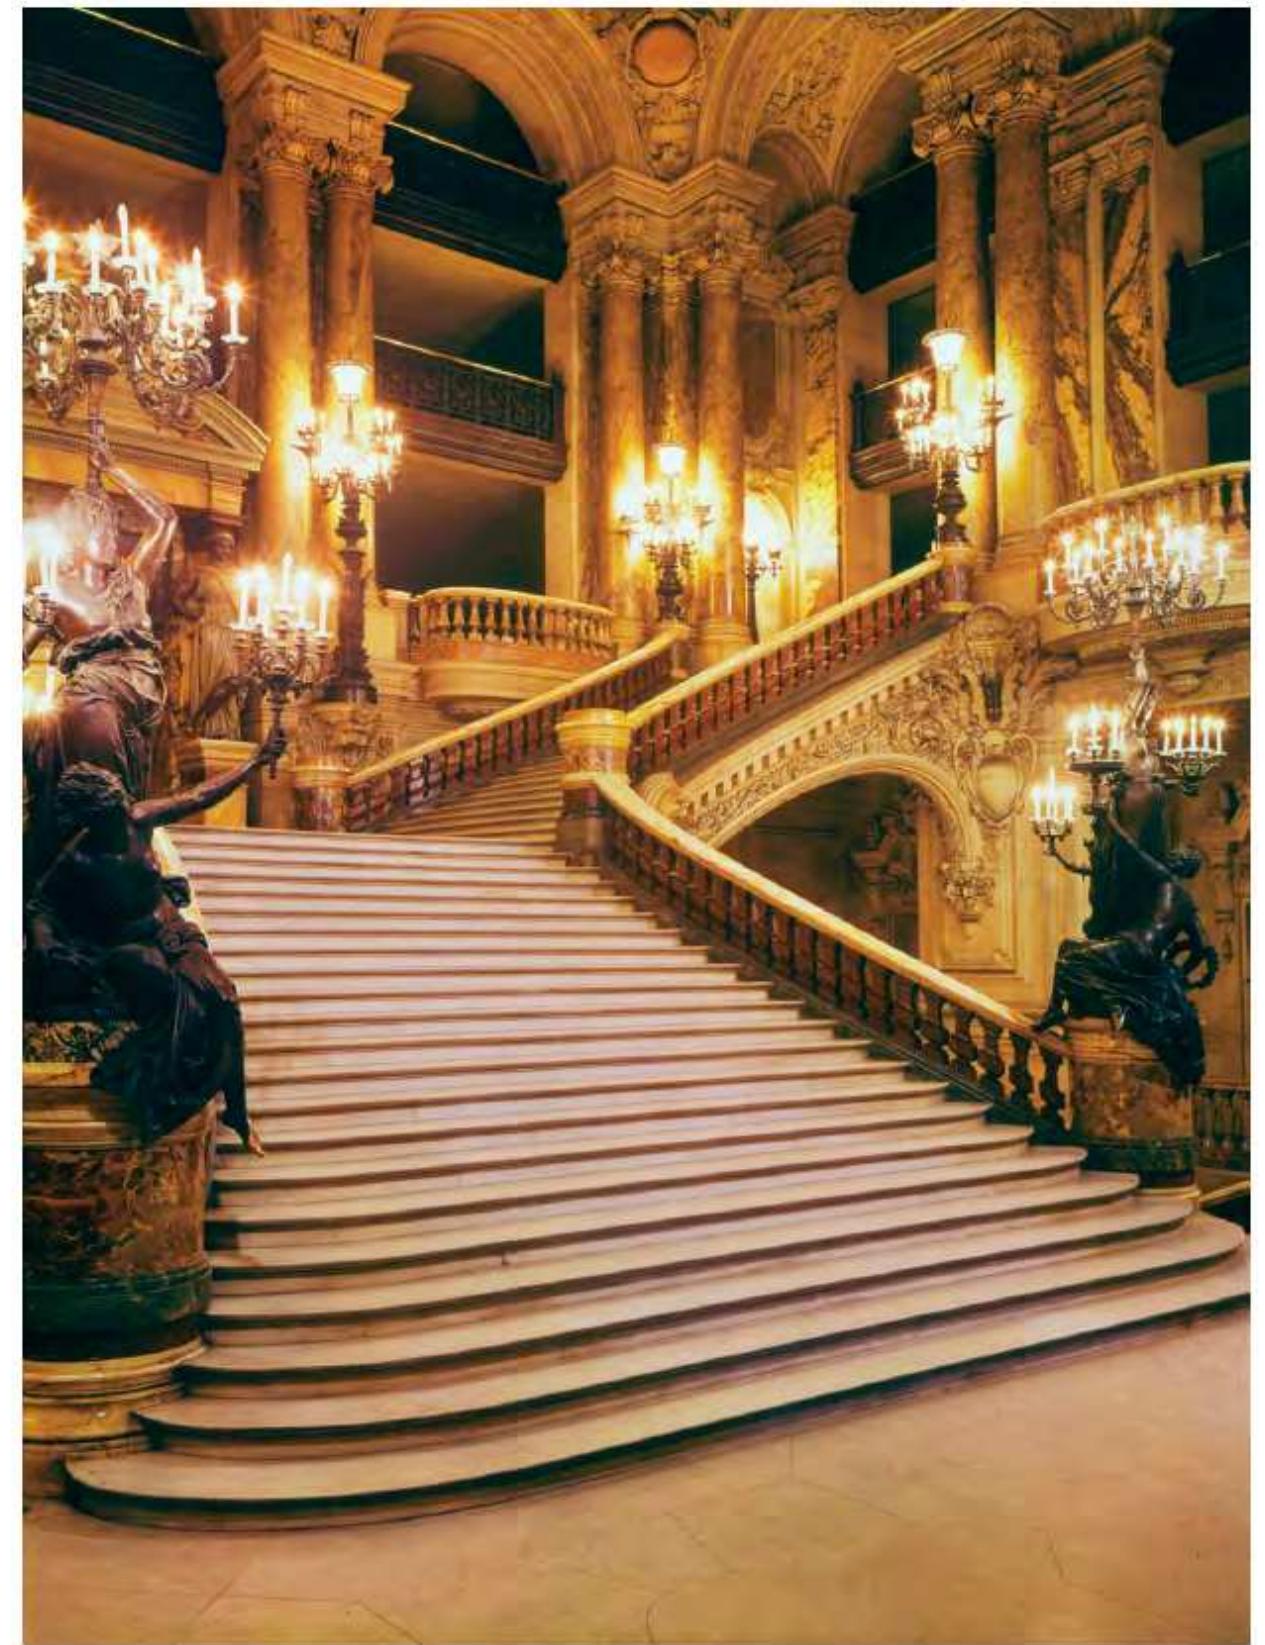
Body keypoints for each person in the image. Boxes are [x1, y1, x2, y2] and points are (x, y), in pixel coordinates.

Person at [24, 726, 285, 1154]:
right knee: (169, 996)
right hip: (128, 943)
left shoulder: (138, 818)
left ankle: (237, 1112)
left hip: (172, 930)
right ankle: (161, 1098)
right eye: (113, 813)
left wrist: (254, 761)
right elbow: (40, 904)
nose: (123, 813)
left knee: (223, 996)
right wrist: (43, 942)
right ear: (94, 820)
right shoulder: (78, 858)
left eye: (121, 806)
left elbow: (199, 795)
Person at [23, 433, 175, 859]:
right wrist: (35, 624)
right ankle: (97, 846)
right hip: (91, 698)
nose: (114, 537)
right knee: (92, 730)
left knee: (128, 773)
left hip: (142, 694)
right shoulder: (54, 592)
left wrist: (113, 470)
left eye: (115, 528)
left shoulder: (133, 579)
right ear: (77, 535)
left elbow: (165, 519)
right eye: (102, 529)